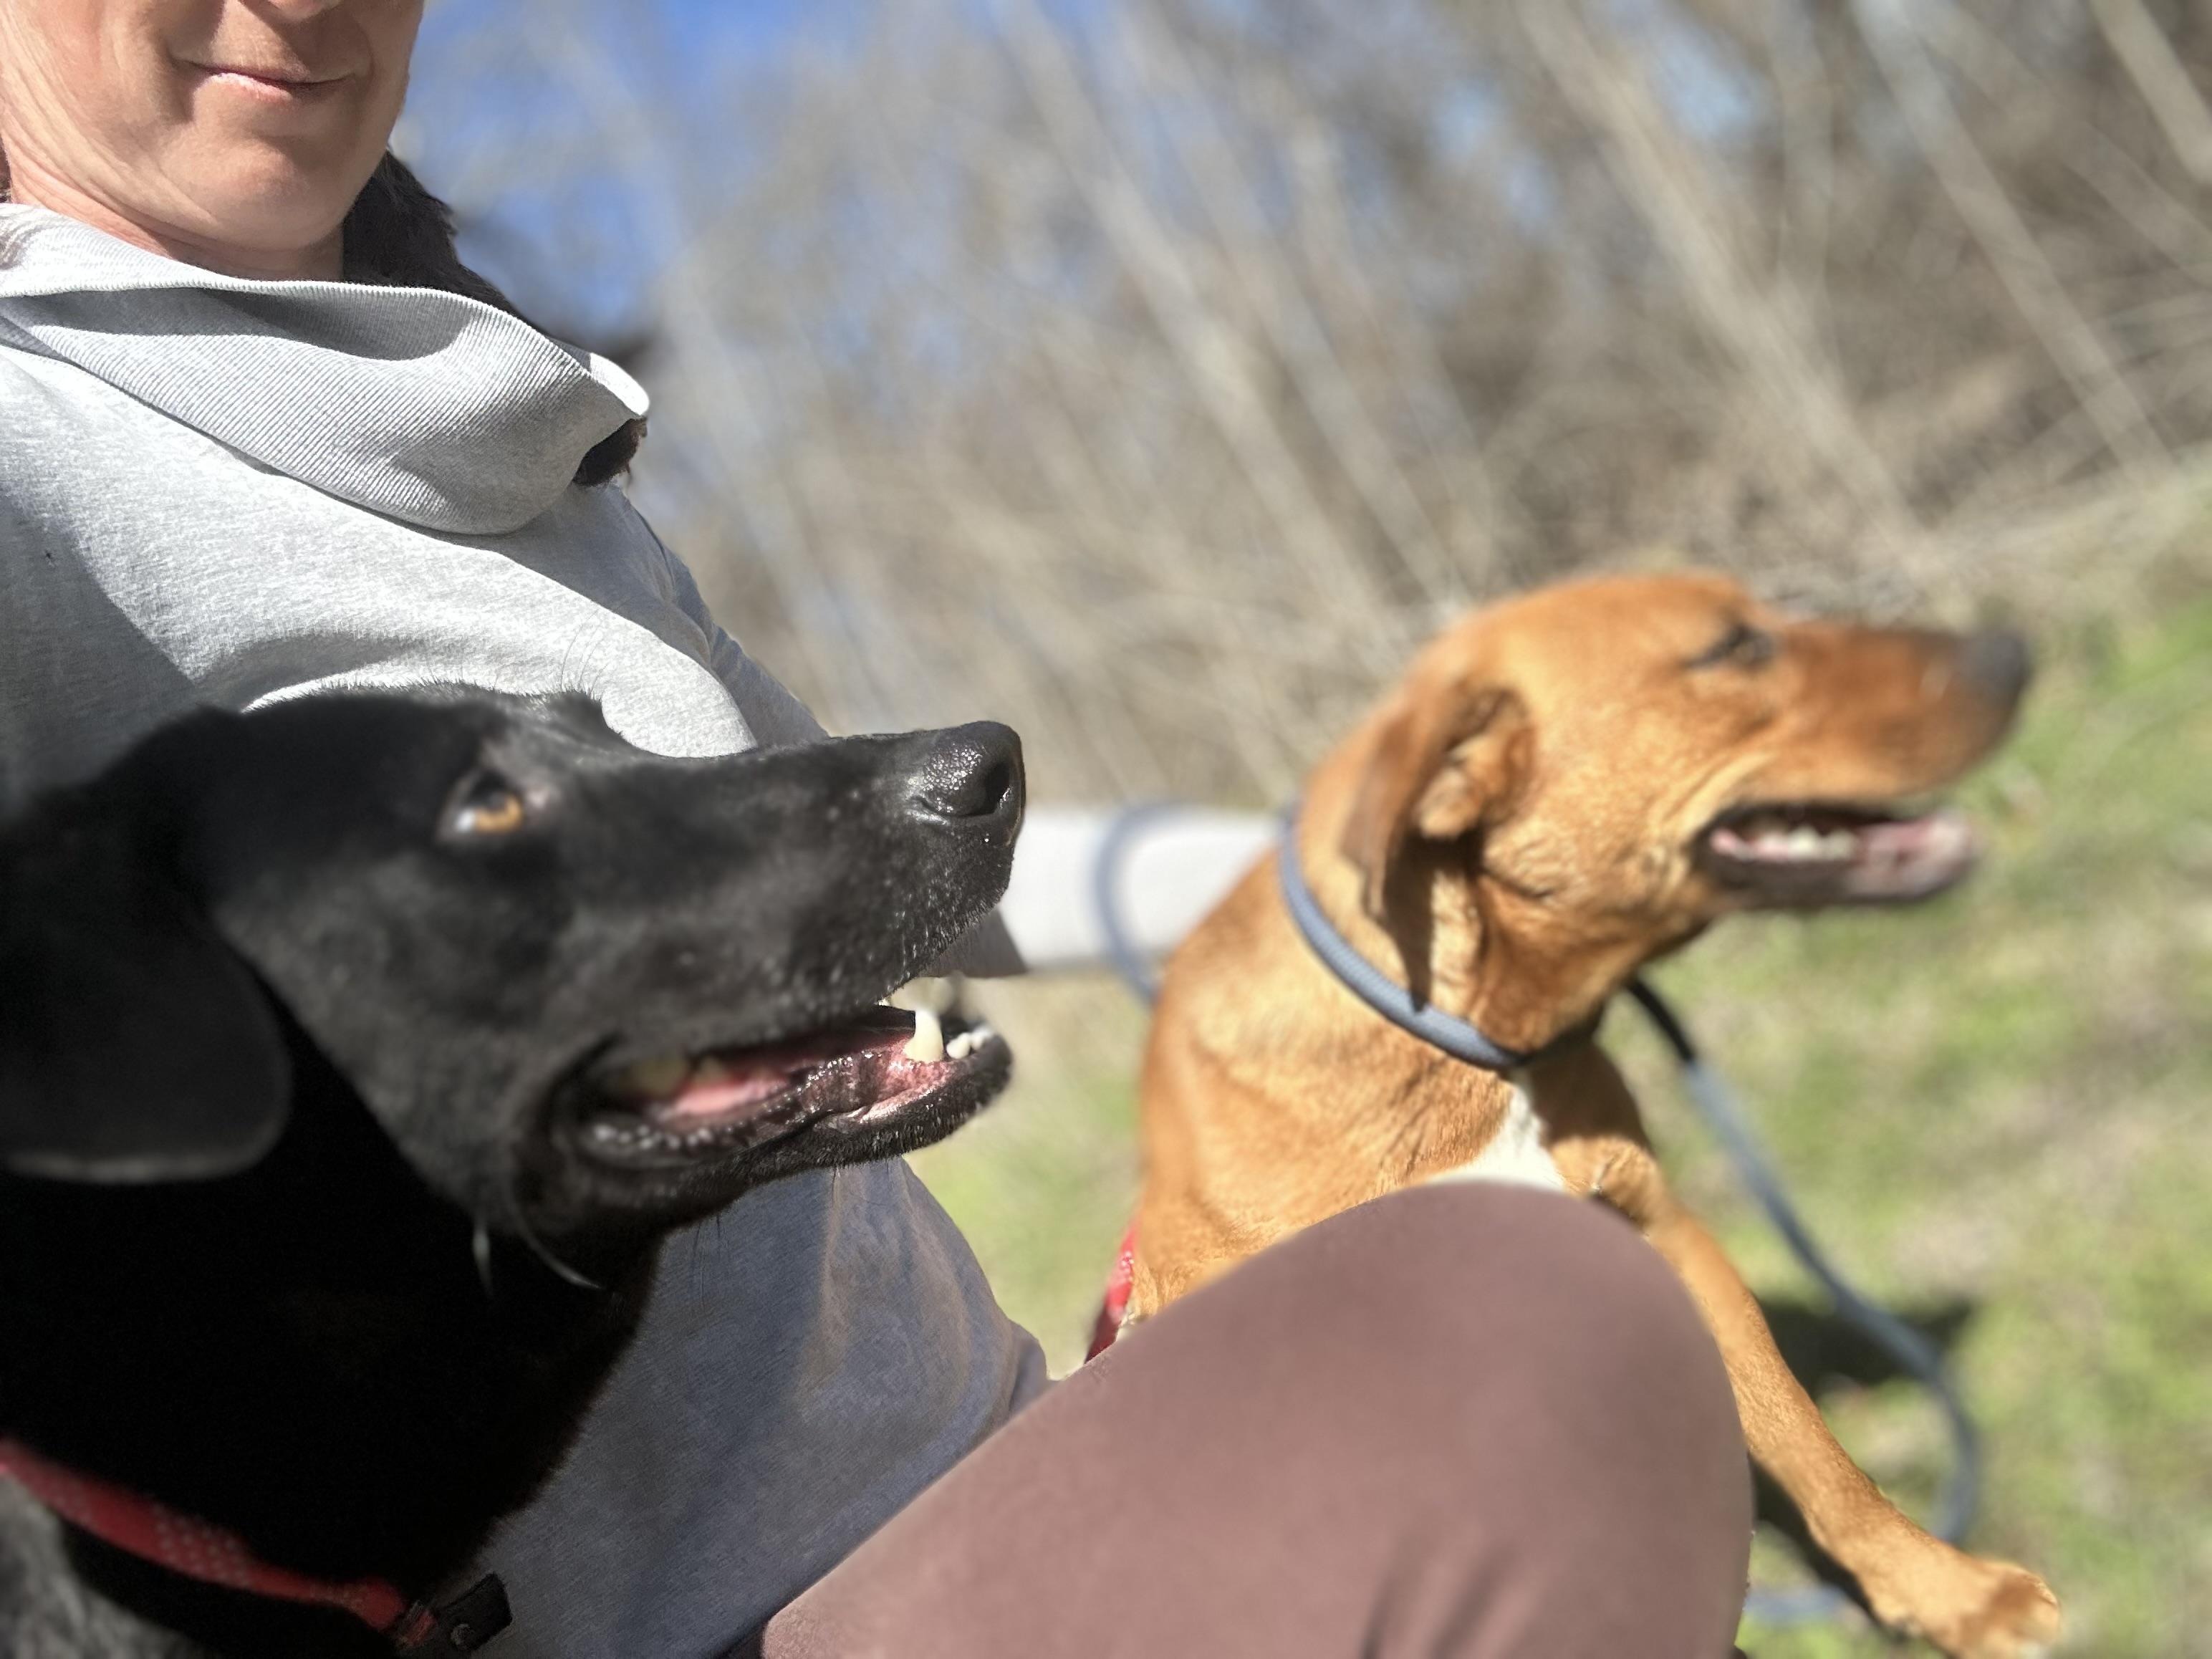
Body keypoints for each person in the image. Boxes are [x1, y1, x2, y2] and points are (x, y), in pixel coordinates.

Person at [0, 4, 1754, 1655]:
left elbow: (861, 865)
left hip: (981, 1471)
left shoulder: (475, 428)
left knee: (1527, 1308)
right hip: (711, 1620)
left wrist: (1324, 887)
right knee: (1524, 1332)